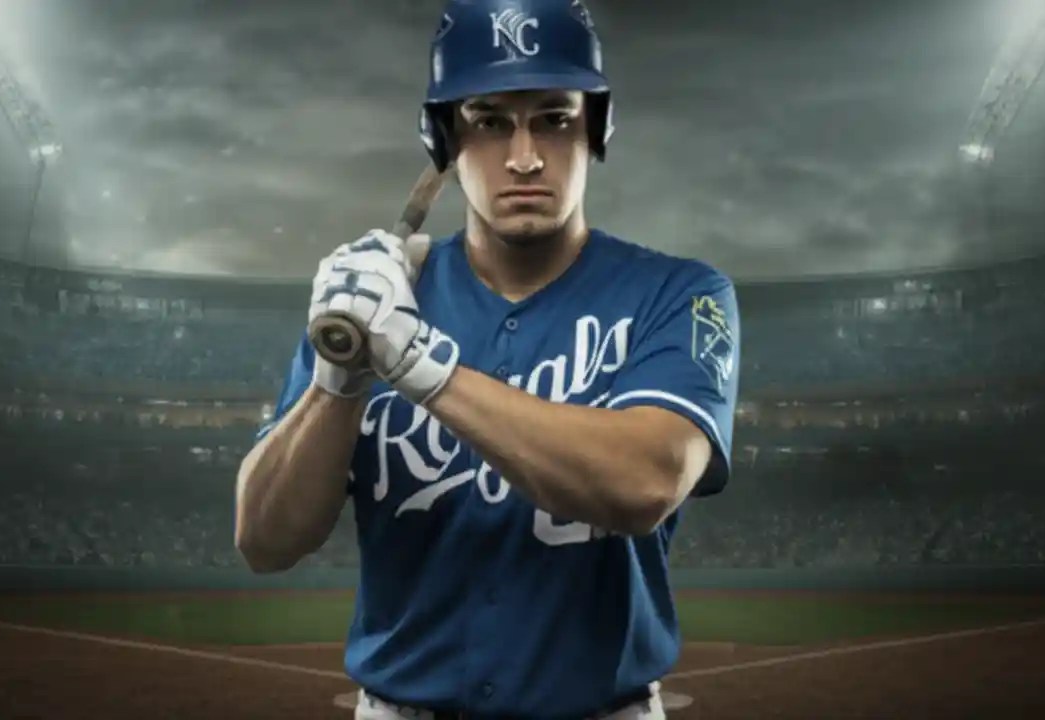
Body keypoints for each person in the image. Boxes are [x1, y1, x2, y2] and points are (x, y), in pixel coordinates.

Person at [234, 1, 741, 717]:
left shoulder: (681, 295)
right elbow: (264, 539)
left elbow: (644, 482)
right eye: (490, 120)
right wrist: (337, 379)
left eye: (555, 118)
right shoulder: (380, 300)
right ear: (443, 140)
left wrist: (418, 365)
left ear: (597, 128)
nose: (525, 156)